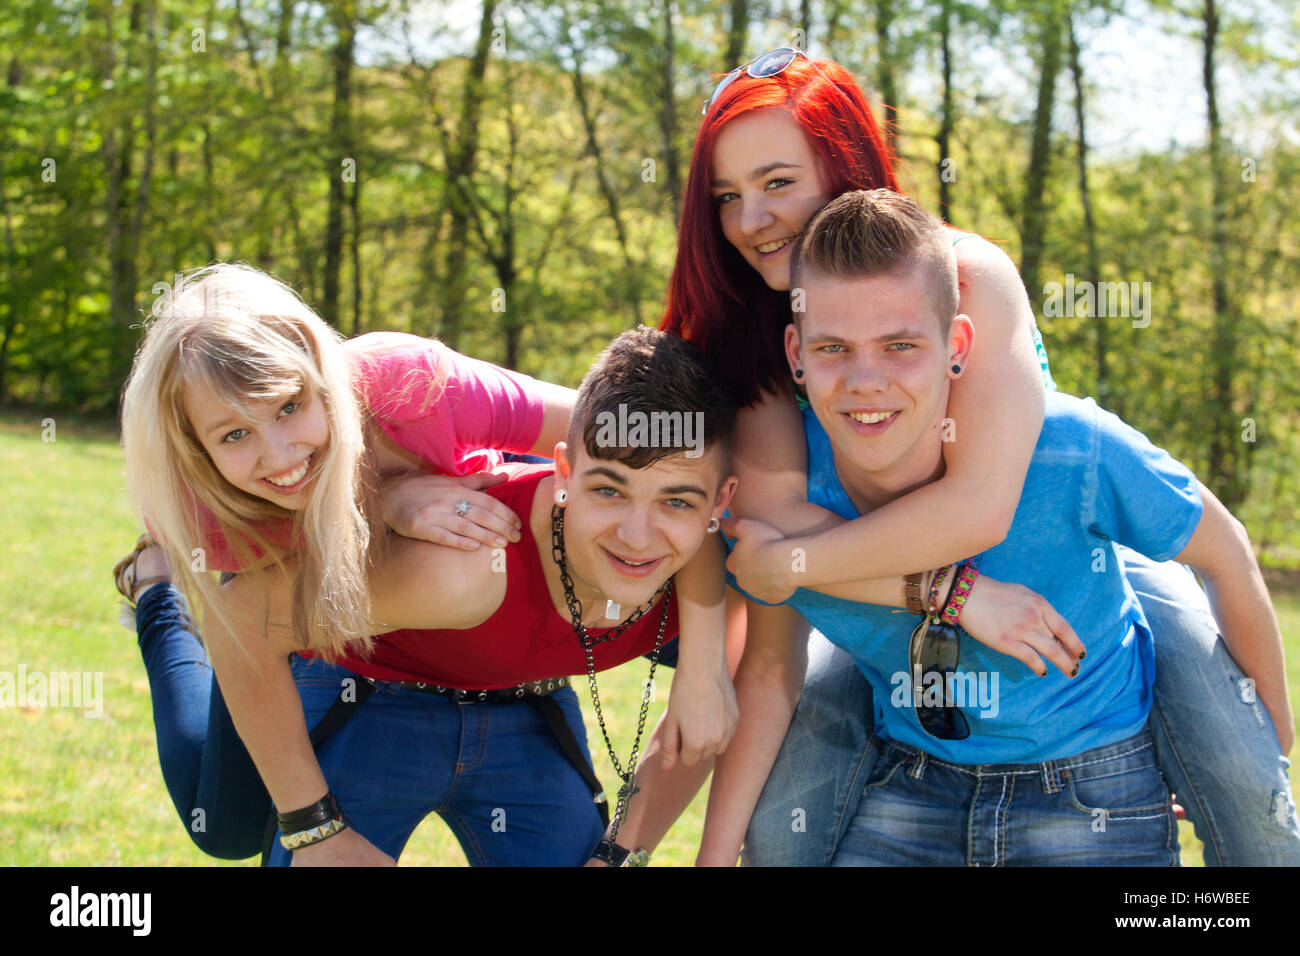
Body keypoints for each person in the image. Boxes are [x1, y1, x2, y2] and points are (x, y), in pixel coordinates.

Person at [659, 49, 1298, 865]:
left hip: (1076, 545)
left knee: (1248, 779)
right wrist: (949, 595)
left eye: (778, 182)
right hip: (880, 590)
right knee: (789, 813)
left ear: (844, 163)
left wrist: (794, 565)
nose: (751, 221)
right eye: (727, 197)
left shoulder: (964, 273)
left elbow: (976, 507)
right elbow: (774, 540)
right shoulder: (755, 334)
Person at [116, 264, 734, 864]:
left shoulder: (419, 389)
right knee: (225, 827)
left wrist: (706, 663)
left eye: (287, 407)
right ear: (197, 449)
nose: (281, 455)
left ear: (319, 372)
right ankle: (156, 595)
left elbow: (658, 454)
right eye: (232, 435)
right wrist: (386, 501)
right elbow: (246, 623)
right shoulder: (205, 518)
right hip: (339, 617)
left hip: (462, 583)